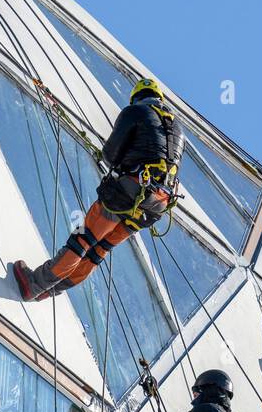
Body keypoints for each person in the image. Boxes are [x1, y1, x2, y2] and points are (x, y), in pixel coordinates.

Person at [13, 77, 182, 301]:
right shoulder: (176, 127)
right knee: (99, 250)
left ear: (136, 97)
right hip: (157, 204)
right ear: (159, 98)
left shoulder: (135, 112)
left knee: (83, 239)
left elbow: (110, 154)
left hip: (130, 190)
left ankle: (34, 285)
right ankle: (54, 289)